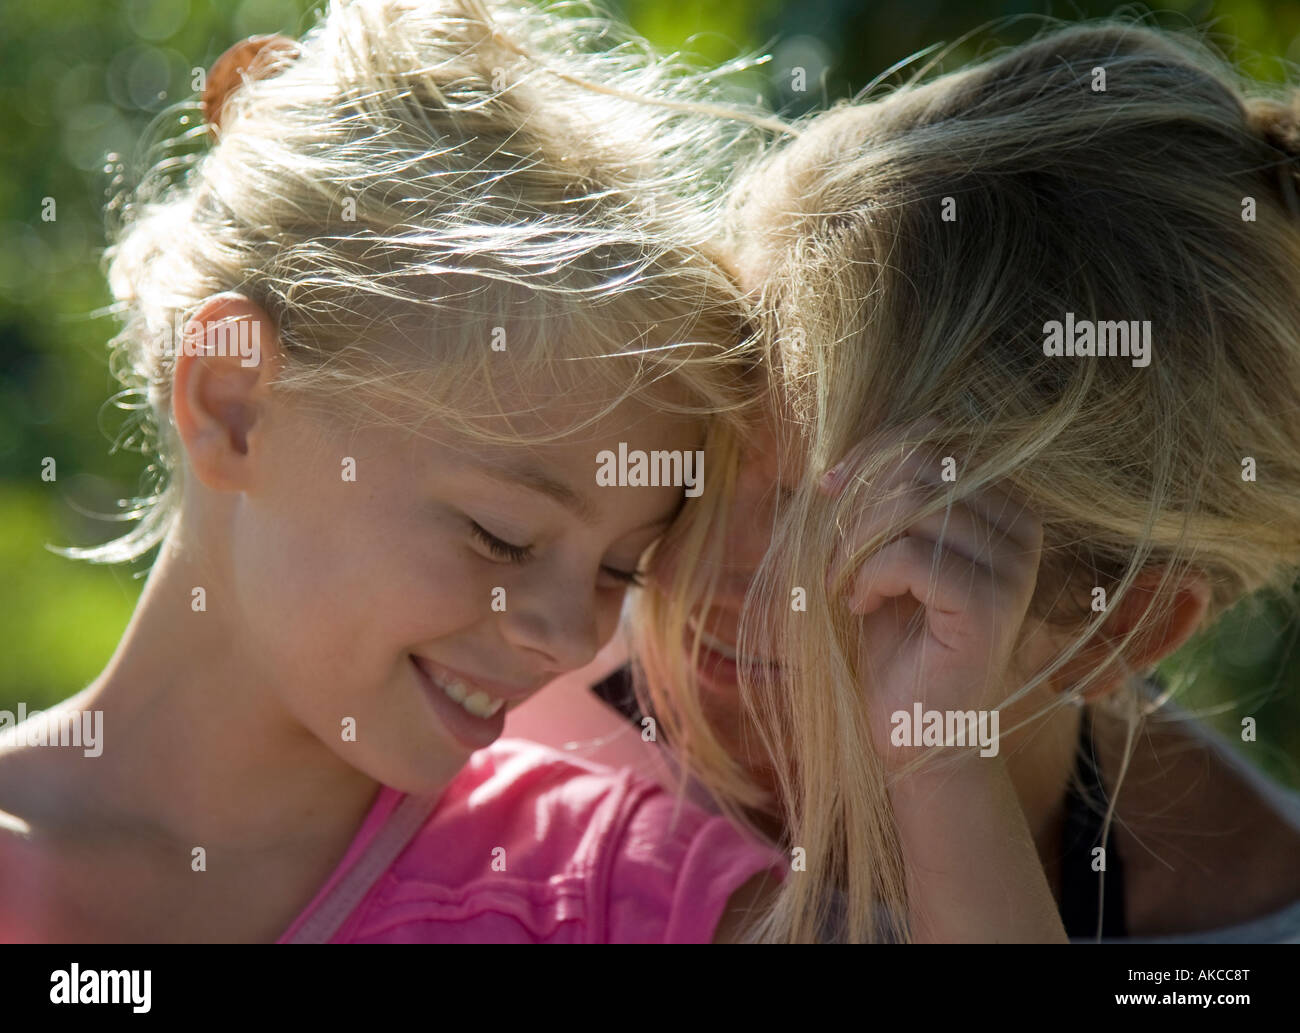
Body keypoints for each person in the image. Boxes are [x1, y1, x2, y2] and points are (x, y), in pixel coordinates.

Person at [0, 0, 783, 943]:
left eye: (623, 569)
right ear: (233, 403)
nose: (572, 638)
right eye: (503, 537)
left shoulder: (616, 890)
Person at [619, 20, 1300, 942]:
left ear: (1114, 629)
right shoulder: (533, 630)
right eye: (705, 453)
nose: (701, 561)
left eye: (829, 520)